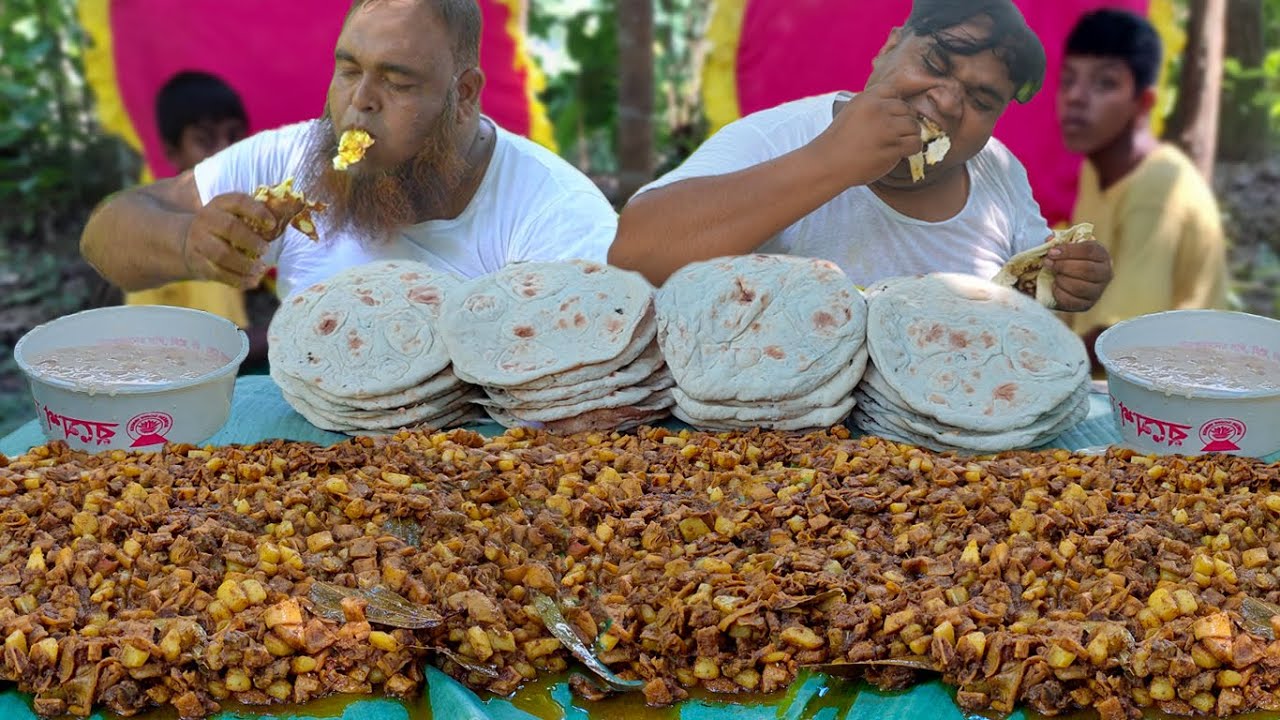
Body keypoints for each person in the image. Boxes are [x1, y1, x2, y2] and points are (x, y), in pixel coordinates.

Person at [81, 0, 617, 306]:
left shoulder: (557, 215)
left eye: (397, 82)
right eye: (349, 71)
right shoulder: (293, 163)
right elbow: (108, 232)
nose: (359, 104)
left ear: (466, 95)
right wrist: (187, 242)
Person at [609, 0, 1112, 314]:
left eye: (981, 101)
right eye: (934, 63)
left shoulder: (999, 172)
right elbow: (633, 255)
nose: (947, 102)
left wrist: (1067, 280)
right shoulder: (780, 135)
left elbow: (1022, 293)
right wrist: (830, 163)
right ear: (890, 47)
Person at [1056, 8, 1228, 369]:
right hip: (1096, 375)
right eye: (1068, 80)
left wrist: (1029, 361)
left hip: (1164, 401)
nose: (1075, 97)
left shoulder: (1158, 190)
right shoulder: (1096, 167)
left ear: (1144, 103)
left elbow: (1124, 342)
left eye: (1104, 83)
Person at [126, 71, 271, 368]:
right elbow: (220, 349)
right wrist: (289, 334)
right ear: (173, 153)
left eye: (235, 137)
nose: (226, 153)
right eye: (205, 141)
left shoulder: (233, 213)